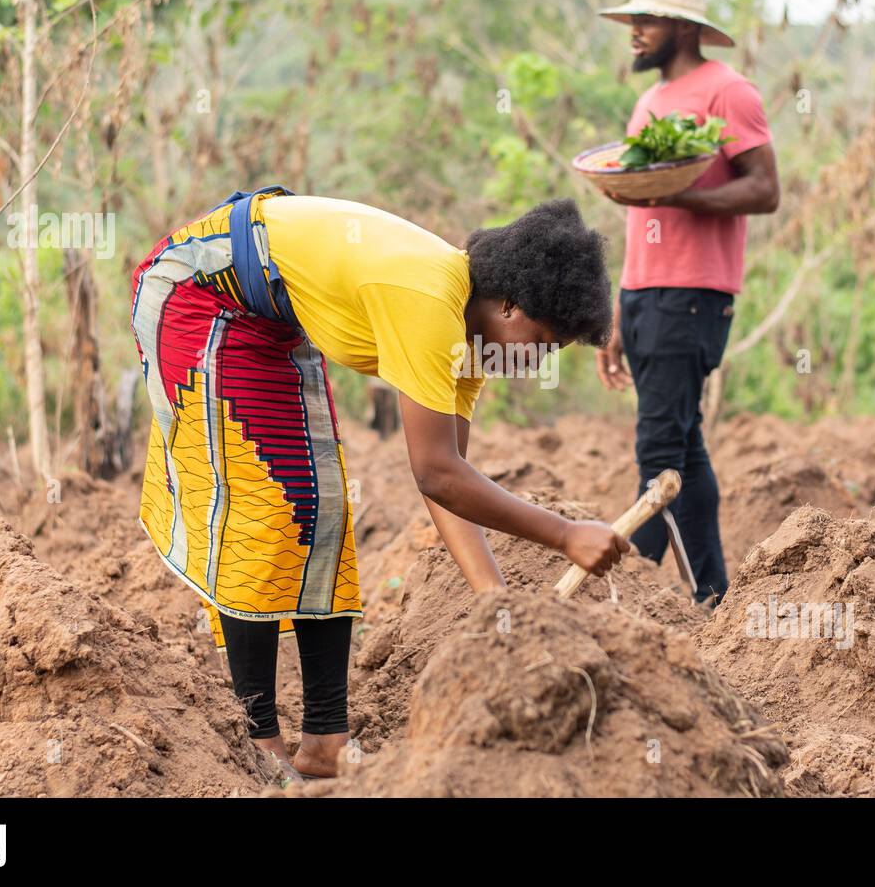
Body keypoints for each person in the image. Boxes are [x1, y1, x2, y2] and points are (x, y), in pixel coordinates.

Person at [130, 189, 629, 781]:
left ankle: (325, 739)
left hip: (267, 320)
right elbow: (438, 473)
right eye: (544, 346)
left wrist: (500, 604)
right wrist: (566, 534)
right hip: (199, 294)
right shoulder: (426, 301)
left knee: (322, 509)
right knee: (263, 511)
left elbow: (450, 484)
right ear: (511, 306)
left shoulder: (470, 341)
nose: (537, 364)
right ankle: (258, 741)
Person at [593, 0, 781, 607]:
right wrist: (619, 311)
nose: (634, 34)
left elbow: (765, 188)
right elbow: (639, 215)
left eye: (644, 22)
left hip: (695, 295)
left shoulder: (729, 92)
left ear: (683, 27)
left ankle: (631, 595)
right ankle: (713, 597)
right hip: (646, 295)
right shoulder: (648, 105)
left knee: (658, 449)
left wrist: (688, 196)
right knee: (685, 449)